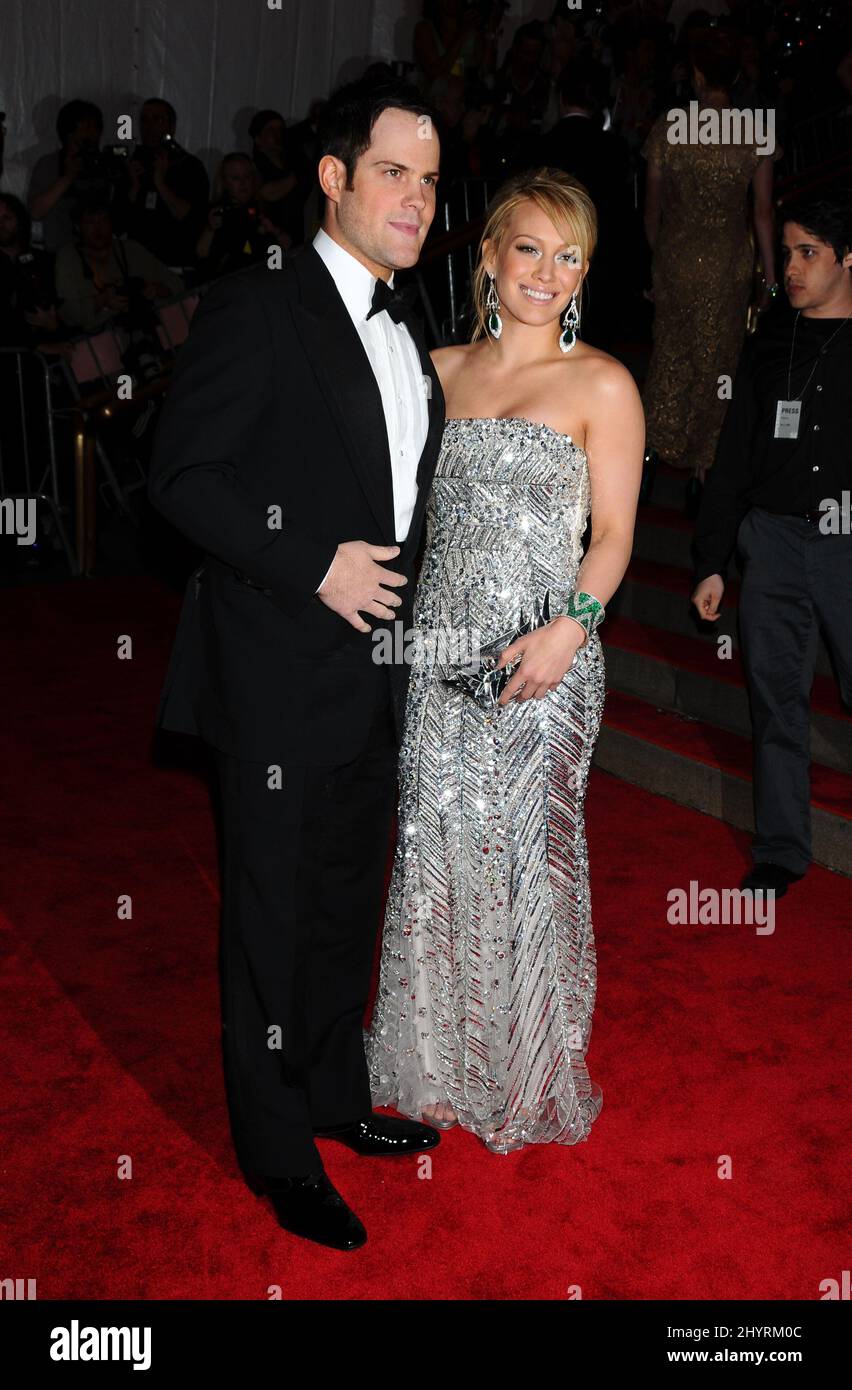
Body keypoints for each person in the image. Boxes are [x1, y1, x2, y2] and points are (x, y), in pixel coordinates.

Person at [147, 77, 445, 1252]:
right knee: (269, 923)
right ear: (333, 177)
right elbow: (183, 476)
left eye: (428, 179)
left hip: (375, 675)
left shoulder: (403, 314)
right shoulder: (257, 305)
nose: (416, 199)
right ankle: (277, 1151)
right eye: (392, 173)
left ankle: (333, 1093)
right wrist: (311, 560)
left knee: (339, 903)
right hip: (276, 668)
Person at [366, 168, 644, 1151]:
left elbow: (612, 535)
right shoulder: (433, 371)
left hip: (548, 658)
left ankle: (528, 1066)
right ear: (488, 254)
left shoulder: (602, 382)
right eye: (530, 248)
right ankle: (437, 1059)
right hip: (438, 651)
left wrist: (572, 624)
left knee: (532, 859)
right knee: (436, 847)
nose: (548, 273)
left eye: (570, 257)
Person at [690, 192, 852, 899]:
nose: (789, 266)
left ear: (849, 259)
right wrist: (712, 561)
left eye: (808, 253)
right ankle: (782, 849)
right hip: (775, 543)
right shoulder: (765, 346)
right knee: (775, 699)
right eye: (786, 252)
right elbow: (732, 460)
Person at [641, 27, 779, 504]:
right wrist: (772, 278)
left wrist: (659, 260)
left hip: (676, 259)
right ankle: (704, 474)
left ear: (697, 75)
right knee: (719, 365)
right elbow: (762, 212)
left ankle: (650, 459)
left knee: (670, 356)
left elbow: (652, 209)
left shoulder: (670, 127)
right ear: (736, 75)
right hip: (728, 266)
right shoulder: (755, 132)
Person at [54, 201, 183, 333]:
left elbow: (176, 283)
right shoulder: (68, 257)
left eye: (104, 220)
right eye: (90, 222)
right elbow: (66, 313)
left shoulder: (130, 249)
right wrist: (101, 301)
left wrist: (157, 289)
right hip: (99, 339)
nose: (98, 229)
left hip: (143, 329)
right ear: (77, 227)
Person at [120, 98, 209, 267]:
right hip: (137, 264)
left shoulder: (190, 166)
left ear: (172, 127)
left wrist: (160, 183)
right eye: (144, 120)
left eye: (157, 119)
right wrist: (134, 187)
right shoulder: (136, 163)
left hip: (175, 265)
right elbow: (119, 223)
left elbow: (192, 220)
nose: (149, 126)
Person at [27, 99, 112, 253]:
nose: (92, 133)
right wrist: (67, 177)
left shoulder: (106, 164)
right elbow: (36, 212)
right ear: (69, 131)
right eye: (86, 126)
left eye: (96, 127)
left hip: (101, 254)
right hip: (61, 254)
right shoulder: (49, 164)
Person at [195, 154, 276, 280]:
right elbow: (201, 253)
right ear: (225, 182)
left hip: (260, 283)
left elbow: (279, 258)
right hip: (224, 285)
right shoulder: (215, 211)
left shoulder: (262, 210)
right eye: (236, 178)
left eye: (247, 177)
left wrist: (273, 232)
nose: (243, 183)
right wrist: (210, 229)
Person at [248, 109, 311, 251]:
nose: (278, 134)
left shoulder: (294, 161)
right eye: (270, 130)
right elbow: (268, 193)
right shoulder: (252, 166)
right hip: (267, 241)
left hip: (297, 239)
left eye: (281, 129)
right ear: (258, 138)